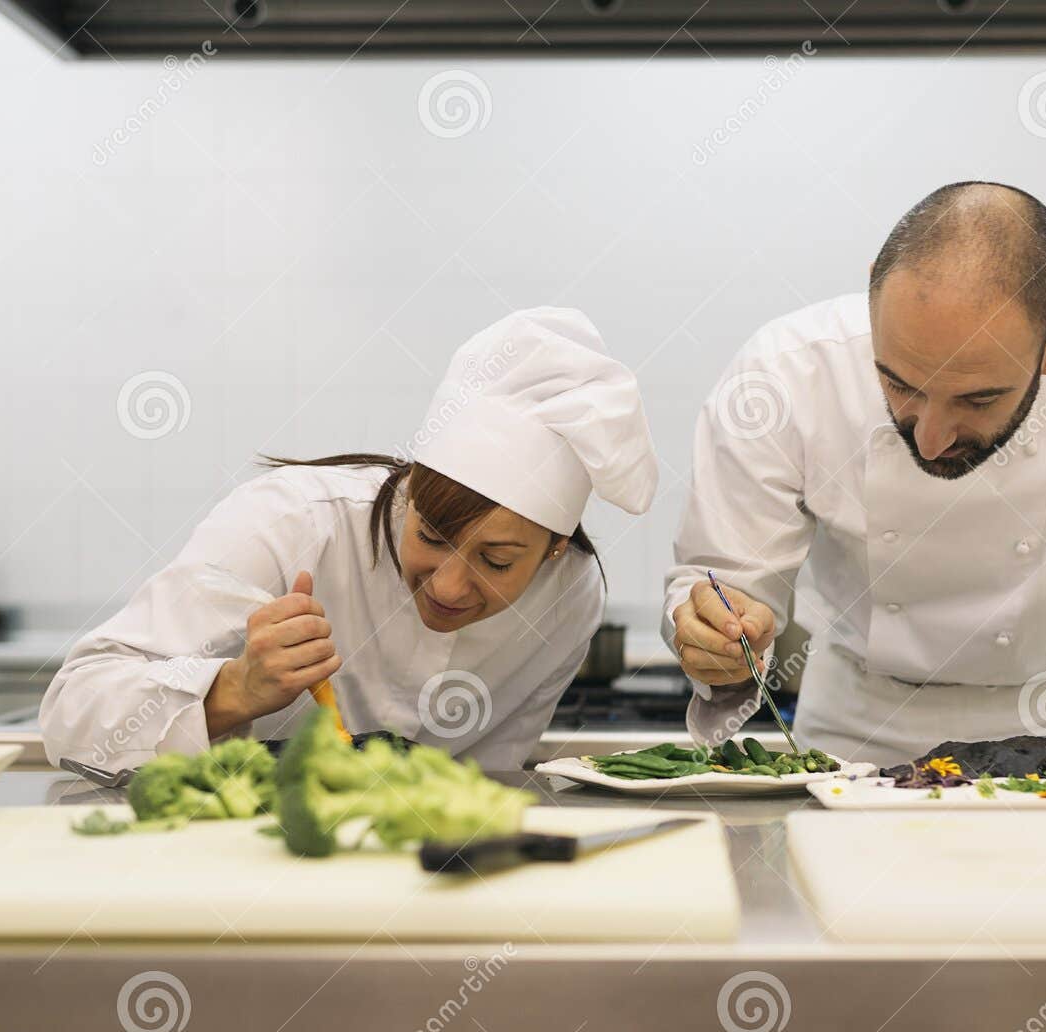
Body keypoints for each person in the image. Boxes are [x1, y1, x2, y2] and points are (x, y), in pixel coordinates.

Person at [664, 181, 1046, 769]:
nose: (931, 440)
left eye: (978, 400)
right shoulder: (781, 378)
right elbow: (720, 585)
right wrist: (717, 635)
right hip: (851, 746)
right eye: (899, 384)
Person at [43, 307, 656, 771]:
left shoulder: (569, 596)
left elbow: (488, 782)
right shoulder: (290, 524)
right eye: (432, 536)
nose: (448, 586)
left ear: (553, 549)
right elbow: (75, 708)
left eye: (496, 560)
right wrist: (235, 690)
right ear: (410, 490)